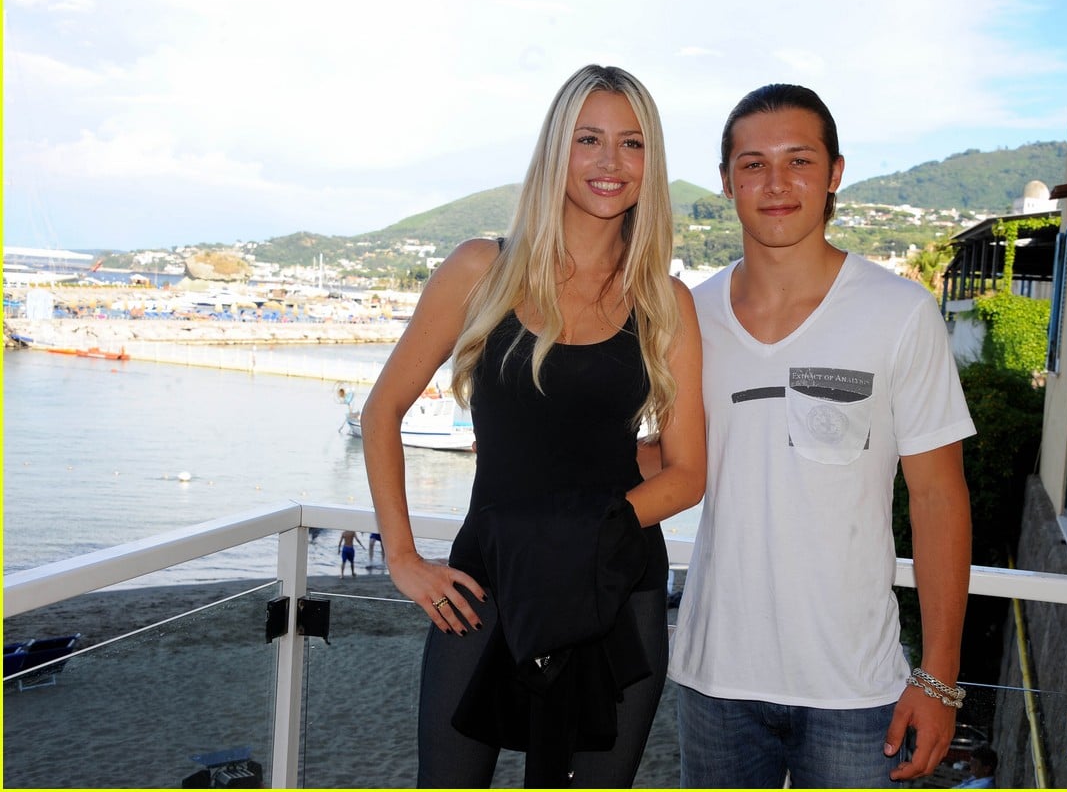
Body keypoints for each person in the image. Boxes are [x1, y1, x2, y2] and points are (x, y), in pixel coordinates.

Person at [361, 64, 705, 788]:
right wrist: (401, 555)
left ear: (653, 162)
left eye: (632, 144)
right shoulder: (481, 269)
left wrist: (593, 528)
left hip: (616, 588)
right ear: (557, 150)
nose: (611, 163)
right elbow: (383, 409)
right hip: (483, 583)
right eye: (590, 139)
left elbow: (688, 473)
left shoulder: (666, 300)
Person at [666, 83, 975, 787]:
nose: (776, 183)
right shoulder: (691, 314)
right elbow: (672, 462)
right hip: (714, 680)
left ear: (835, 173)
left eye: (798, 160)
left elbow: (938, 499)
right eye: (753, 164)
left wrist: (940, 677)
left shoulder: (900, 312)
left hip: (857, 692)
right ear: (726, 182)